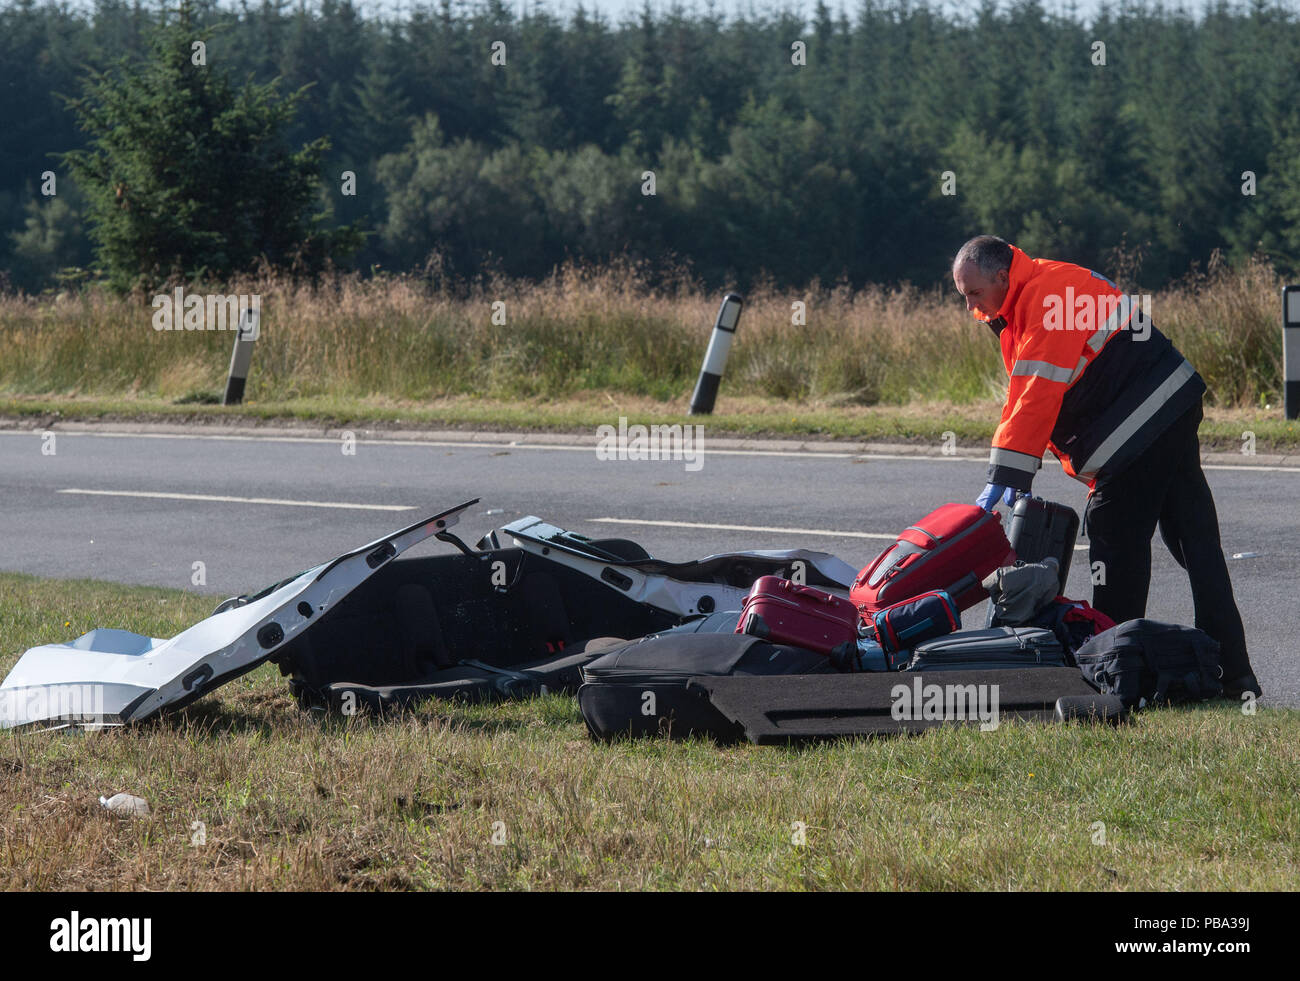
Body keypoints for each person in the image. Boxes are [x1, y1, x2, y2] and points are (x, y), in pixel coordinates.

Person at [951, 234, 1260, 698]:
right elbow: (1023, 397)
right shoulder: (1034, 291)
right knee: (1197, 546)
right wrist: (1006, 468)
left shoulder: (1046, 296)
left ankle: (1114, 679)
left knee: (1114, 542)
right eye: (963, 296)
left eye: (974, 293)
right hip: (1170, 404)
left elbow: (1039, 391)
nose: (971, 307)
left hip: (1139, 425)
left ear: (1000, 276)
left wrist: (1008, 477)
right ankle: (1235, 677)